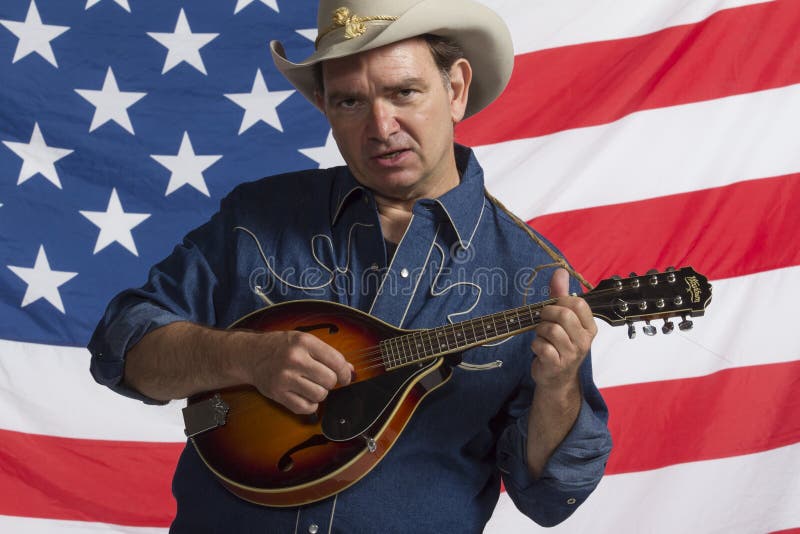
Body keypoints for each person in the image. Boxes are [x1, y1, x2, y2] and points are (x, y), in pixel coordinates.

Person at [88, 0, 612, 531]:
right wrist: (246, 357)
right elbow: (122, 348)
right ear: (323, 106)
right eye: (349, 102)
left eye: (403, 92)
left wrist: (558, 387)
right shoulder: (256, 218)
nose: (381, 127)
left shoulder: (536, 276)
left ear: (455, 88)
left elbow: (549, 498)